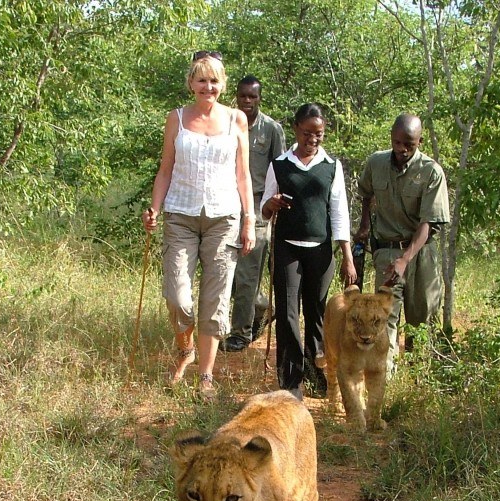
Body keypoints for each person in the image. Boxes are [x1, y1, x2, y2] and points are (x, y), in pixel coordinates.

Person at [142, 51, 256, 399]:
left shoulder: (237, 120)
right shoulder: (175, 119)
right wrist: (154, 209)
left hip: (224, 217)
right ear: (191, 83)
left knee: (215, 297)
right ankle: (184, 348)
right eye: (202, 80)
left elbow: (243, 174)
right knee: (177, 295)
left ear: (223, 84)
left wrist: (249, 220)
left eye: (215, 81)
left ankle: (205, 374)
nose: (209, 87)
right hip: (180, 214)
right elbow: (165, 169)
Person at [261, 103, 358, 399]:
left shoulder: (332, 166)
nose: (312, 139)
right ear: (295, 130)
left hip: (321, 251)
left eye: (319, 134)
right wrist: (272, 204)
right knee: (289, 315)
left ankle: (316, 376)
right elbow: (264, 209)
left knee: (316, 313)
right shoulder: (279, 164)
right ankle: (291, 384)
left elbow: (339, 212)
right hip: (287, 249)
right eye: (307, 133)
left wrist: (348, 258)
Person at [355, 113, 451, 372]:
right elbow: (365, 192)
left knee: (421, 318)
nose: (402, 149)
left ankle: (418, 376)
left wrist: (405, 259)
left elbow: (428, 223)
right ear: (391, 138)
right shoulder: (376, 163)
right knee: (384, 318)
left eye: (409, 144)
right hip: (386, 250)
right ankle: (387, 379)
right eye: (398, 143)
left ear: (419, 142)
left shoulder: (431, 171)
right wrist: (365, 225)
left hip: (421, 253)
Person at [221, 76, 286, 353]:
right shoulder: (224, 123)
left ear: (260, 98)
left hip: (258, 208)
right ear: (236, 96)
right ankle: (260, 307)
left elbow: (281, 170)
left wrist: (275, 210)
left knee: (248, 273)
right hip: (225, 204)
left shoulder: (271, 129)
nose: (247, 101)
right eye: (243, 96)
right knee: (226, 272)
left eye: (253, 97)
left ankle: (240, 334)